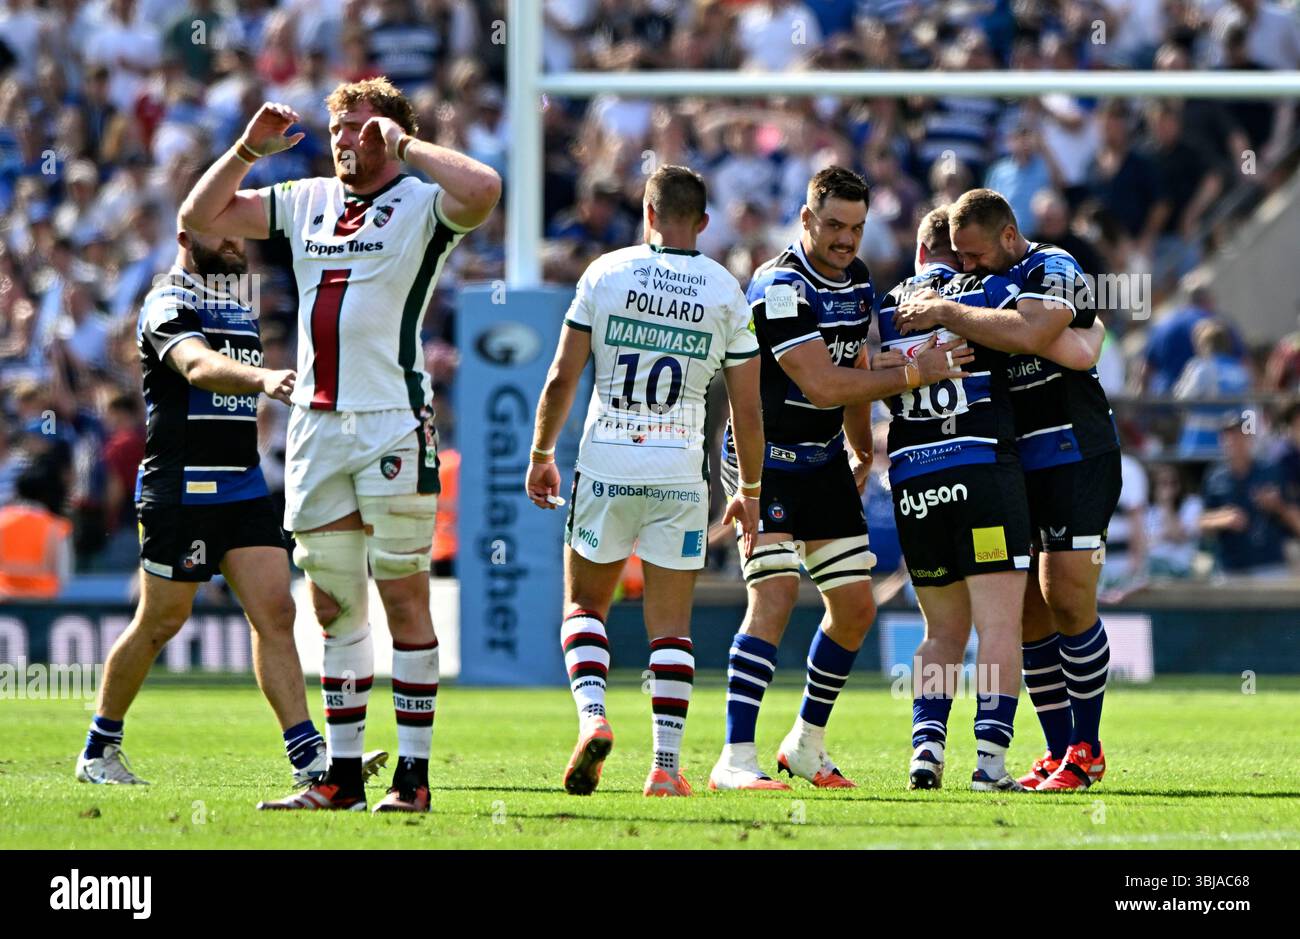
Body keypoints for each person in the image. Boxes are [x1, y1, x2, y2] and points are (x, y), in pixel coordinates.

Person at [179, 78, 501, 812]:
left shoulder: (423, 201)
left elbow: (485, 188)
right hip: (315, 426)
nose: (347, 140)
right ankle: (342, 778)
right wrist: (245, 151)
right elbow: (199, 217)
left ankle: (413, 781)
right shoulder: (306, 200)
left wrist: (410, 147)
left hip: (392, 418)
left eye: (362, 128)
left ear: (389, 133)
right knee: (333, 610)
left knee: (405, 602)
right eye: (339, 128)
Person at [75, 229, 379, 791]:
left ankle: (309, 757)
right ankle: (99, 748)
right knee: (161, 620)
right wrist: (265, 377)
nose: (240, 241)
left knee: (276, 615)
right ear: (190, 237)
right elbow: (195, 367)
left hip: (239, 485)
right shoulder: (166, 300)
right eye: (226, 230)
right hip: (182, 488)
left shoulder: (237, 308)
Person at [707, 167, 971, 792]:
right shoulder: (778, 287)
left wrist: (859, 448)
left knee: (854, 609)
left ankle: (805, 743)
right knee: (771, 601)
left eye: (855, 228)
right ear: (806, 221)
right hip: (762, 462)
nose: (845, 240)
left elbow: (855, 366)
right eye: (833, 226)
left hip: (823, 459)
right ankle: (733, 758)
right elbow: (822, 382)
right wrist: (916, 373)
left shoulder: (856, 280)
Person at [526, 165, 763, 797]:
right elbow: (747, 408)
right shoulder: (723, 290)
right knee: (671, 628)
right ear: (704, 223)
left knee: (584, 607)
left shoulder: (606, 272)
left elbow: (560, 378)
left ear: (648, 212)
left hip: (607, 460)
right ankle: (664, 768)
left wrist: (541, 452)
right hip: (682, 470)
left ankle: (594, 717)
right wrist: (752, 492)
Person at [896, 188, 1121, 791]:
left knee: (1068, 596)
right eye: (958, 257)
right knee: (1026, 612)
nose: (965, 267)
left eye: (973, 254)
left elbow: (1033, 330)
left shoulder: (1053, 266)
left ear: (1007, 235)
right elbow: (1059, 338)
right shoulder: (975, 287)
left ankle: (1088, 746)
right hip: (1012, 462)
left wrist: (945, 313)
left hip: (1074, 449)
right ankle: (1056, 752)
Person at [1200, 416, 1300, 578]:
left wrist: (1277, 506)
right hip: (1230, 569)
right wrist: (1222, 519)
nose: (1235, 441)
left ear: (1249, 439)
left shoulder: (1271, 471)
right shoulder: (1214, 477)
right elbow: (1201, 522)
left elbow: (1296, 521)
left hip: (1270, 567)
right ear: (1221, 440)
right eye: (1229, 436)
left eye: (1240, 435)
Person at [0, 466, 73, 599]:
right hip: (42, 606)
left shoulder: (1, 522)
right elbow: (64, 577)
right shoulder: (56, 528)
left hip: (4, 604)